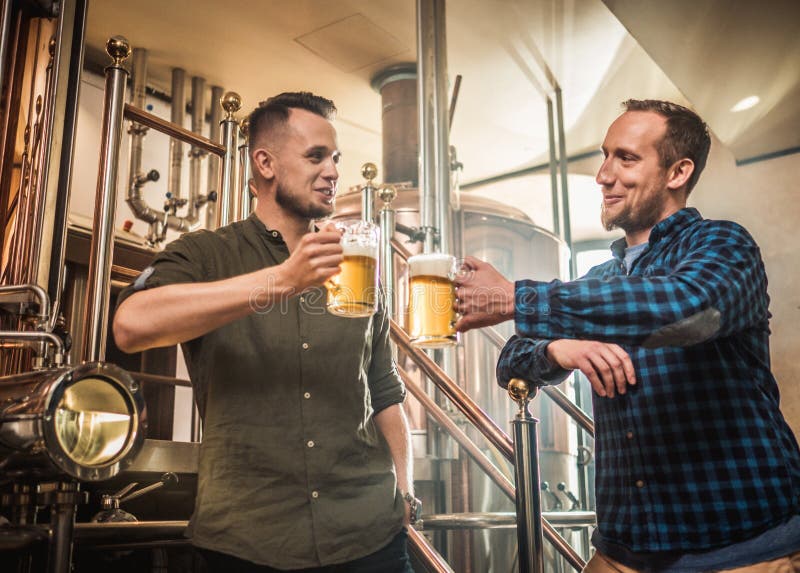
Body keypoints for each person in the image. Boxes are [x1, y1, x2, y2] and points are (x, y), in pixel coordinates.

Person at [453, 99, 800, 572]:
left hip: (742, 551)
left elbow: (683, 310)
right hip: (622, 553)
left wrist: (517, 297)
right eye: (605, 155)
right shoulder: (598, 279)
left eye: (627, 158)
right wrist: (560, 348)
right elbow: (512, 359)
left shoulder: (724, 244)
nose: (603, 174)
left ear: (678, 173)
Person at [113, 92, 417, 572]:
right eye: (316, 156)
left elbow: (383, 390)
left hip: (368, 537)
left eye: (335, 157)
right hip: (248, 541)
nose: (334, 171)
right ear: (265, 163)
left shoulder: (356, 268)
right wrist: (284, 280)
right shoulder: (206, 254)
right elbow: (131, 326)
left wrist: (405, 489)